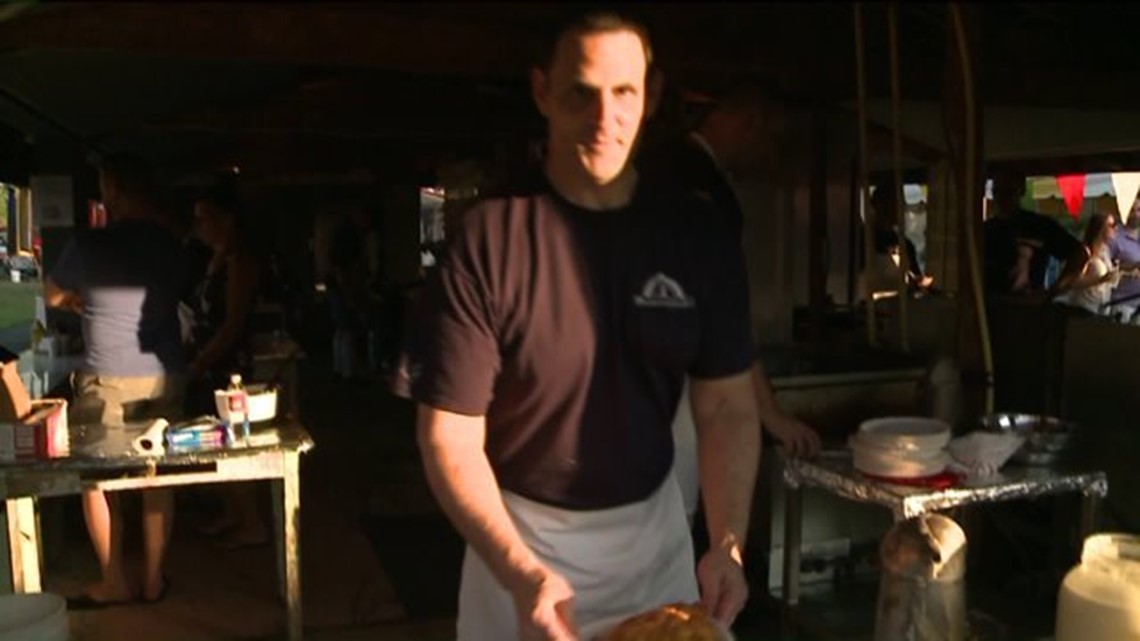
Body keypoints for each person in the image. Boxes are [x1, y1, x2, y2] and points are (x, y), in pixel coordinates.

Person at [401, 11, 760, 640]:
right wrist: (521, 572)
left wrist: (727, 543)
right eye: (581, 93)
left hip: (654, 544)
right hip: (520, 548)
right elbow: (448, 437)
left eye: (624, 93)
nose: (604, 119)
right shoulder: (491, 239)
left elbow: (727, 404)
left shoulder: (696, 234)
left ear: (650, 96)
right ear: (542, 91)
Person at [641, 79, 820, 525]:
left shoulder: (650, 168)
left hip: (630, 390)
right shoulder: (703, 192)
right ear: (747, 124)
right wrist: (771, 413)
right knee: (669, 531)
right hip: (676, 387)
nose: (769, 154)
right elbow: (725, 319)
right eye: (769, 139)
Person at [44, 152, 187, 607]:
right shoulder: (172, 245)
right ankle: (153, 580)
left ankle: (114, 580)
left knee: (99, 481)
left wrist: (76, 302)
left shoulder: (88, 246)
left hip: (105, 376)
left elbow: (49, 294)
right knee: (156, 477)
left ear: (115, 192)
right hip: (163, 373)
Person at [184, 181, 267, 548]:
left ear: (227, 220)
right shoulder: (214, 258)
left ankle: (252, 523)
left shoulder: (239, 262)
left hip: (226, 367)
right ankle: (234, 512)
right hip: (210, 361)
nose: (199, 226)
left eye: (206, 218)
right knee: (220, 443)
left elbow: (233, 324)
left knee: (234, 442)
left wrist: (201, 363)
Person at [984, 170, 1088, 298]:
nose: (1002, 196)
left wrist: (1054, 291)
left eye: (1008, 190)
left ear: (1020, 190)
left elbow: (1079, 254)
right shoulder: (984, 230)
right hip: (988, 307)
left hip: (1026, 308)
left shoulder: (1037, 225)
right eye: (997, 190)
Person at [1055, 213, 1120, 315]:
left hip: (1098, 310)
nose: (1115, 228)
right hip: (1081, 309)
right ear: (1100, 228)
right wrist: (1100, 280)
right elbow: (1072, 282)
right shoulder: (1086, 252)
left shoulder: (1105, 252)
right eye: (1111, 225)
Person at [1107, 200, 1140, 321]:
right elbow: (1105, 268)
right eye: (1132, 210)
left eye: (1139, 210)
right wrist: (1131, 267)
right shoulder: (1114, 236)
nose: (1136, 214)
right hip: (1122, 304)